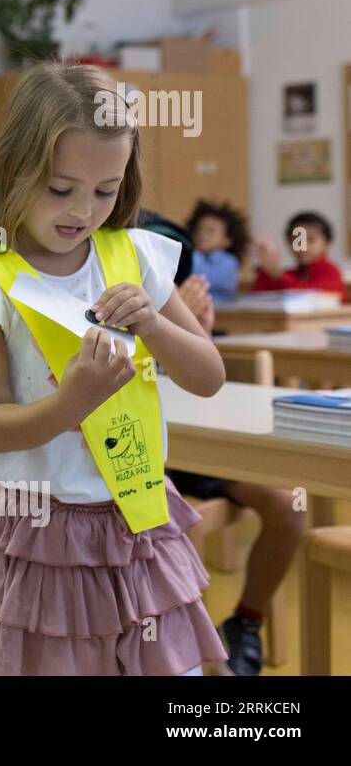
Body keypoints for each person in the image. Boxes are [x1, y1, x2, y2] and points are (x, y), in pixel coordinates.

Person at [0, 62, 227, 675]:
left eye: (105, 190)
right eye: (60, 189)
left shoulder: (133, 255)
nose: (82, 211)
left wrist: (155, 324)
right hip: (44, 529)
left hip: (140, 515)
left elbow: (208, 376)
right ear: (15, 171)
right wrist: (73, 402)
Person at [146, 212, 307, 676]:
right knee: (164, 519)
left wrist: (200, 330)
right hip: (142, 456)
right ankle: (177, 642)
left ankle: (246, 623)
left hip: (201, 447)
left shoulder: (185, 302)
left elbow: (204, 382)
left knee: (288, 506)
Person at [251, 211, 344, 297]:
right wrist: (266, 269)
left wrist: (276, 273)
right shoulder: (290, 275)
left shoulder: (330, 272)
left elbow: (309, 298)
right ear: (289, 242)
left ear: (327, 243)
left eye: (311, 240)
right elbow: (258, 297)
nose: (303, 246)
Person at [186, 200, 248, 305]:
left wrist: (193, 253)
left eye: (211, 231)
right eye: (198, 230)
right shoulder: (193, 256)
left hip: (222, 315)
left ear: (227, 240)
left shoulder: (229, 262)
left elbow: (202, 279)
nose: (202, 235)